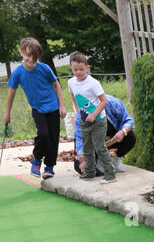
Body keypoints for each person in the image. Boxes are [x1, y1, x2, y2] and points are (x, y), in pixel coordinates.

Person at [3, 36, 67, 179]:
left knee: (53, 137)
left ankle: (49, 167)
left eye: (34, 56)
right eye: (28, 55)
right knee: (44, 135)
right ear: (21, 52)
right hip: (38, 108)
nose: (31, 59)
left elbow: (56, 84)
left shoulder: (44, 68)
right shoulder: (18, 73)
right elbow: (11, 93)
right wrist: (7, 113)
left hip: (53, 107)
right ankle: (36, 159)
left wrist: (62, 106)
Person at [67, 50, 116, 183]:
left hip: (98, 121)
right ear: (71, 68)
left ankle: (110, 174)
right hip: (84, 121)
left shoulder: (93, 83)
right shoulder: (71, 82)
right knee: (87, 148)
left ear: (87, 67)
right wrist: (78, 111)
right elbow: (73, 95)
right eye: (75, 69)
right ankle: (89, 173)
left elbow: (104, 101)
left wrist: (94, 114)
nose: (78, 72)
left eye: (81, 69)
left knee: (100, 147)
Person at [73, 92, 136, 176]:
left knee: (130, 137)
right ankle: (98, 163)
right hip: (93, 143)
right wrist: (82, 159)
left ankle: (116, 159)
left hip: (114, 138)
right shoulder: (81, 112)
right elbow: (79, 137)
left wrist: (123, 132)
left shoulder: (113, 103)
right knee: (79, 166)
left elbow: (128, 121)